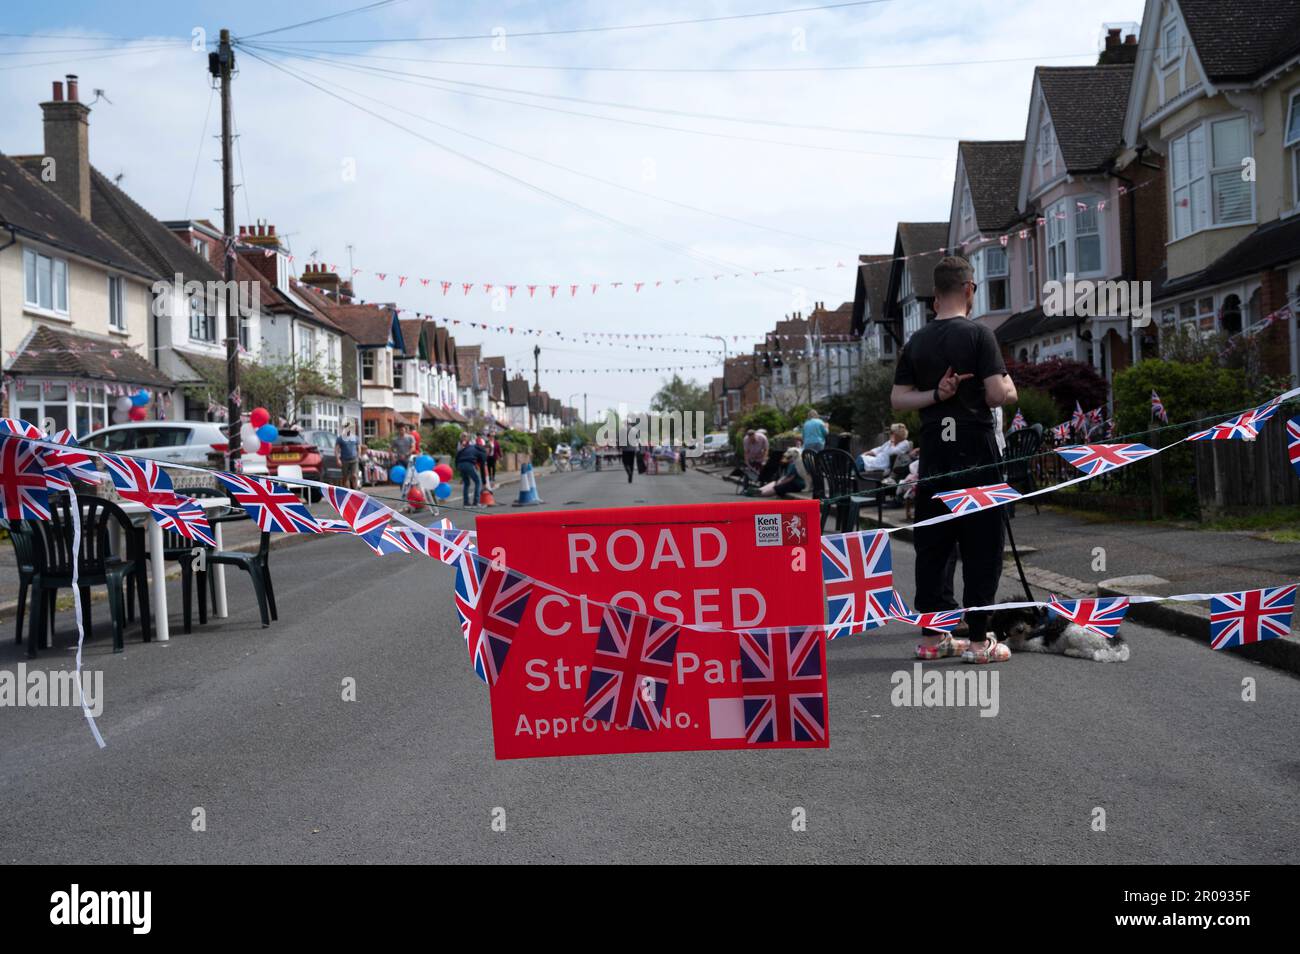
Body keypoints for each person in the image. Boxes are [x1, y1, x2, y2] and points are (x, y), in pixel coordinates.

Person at [891, 255, 1018, 665]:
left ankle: (933, 639)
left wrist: (935, 398)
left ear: (933, 298)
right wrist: (1009, 388)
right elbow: (998, 396)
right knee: (982, 544)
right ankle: (981, 642)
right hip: (976, 451)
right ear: (968, 289)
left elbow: (898, 398)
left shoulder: (916, 341)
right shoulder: (979, 335)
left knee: (935, 544)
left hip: (935, 452)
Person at [455, 433, 484, 506]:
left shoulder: (464, 447)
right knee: (477, 481)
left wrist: (457, 467)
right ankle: (476, 502)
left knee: (466, 483)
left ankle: (466, 502)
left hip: (460, 464)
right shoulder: (470, 446)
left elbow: (457, 456)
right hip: (468, 464)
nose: (465, 438)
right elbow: (480, 458)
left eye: (466, 437)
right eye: (464, 437)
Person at [335, 422, 361, 490]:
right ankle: (347, 491)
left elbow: (359, 448)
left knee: (354, 476)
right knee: (345, 477)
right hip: (344, 460)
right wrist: (338, 459)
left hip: (354, 459)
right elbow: (336, 449)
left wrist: (358, 456)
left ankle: (355, 491)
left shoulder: (355, 438)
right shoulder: (340, 438)